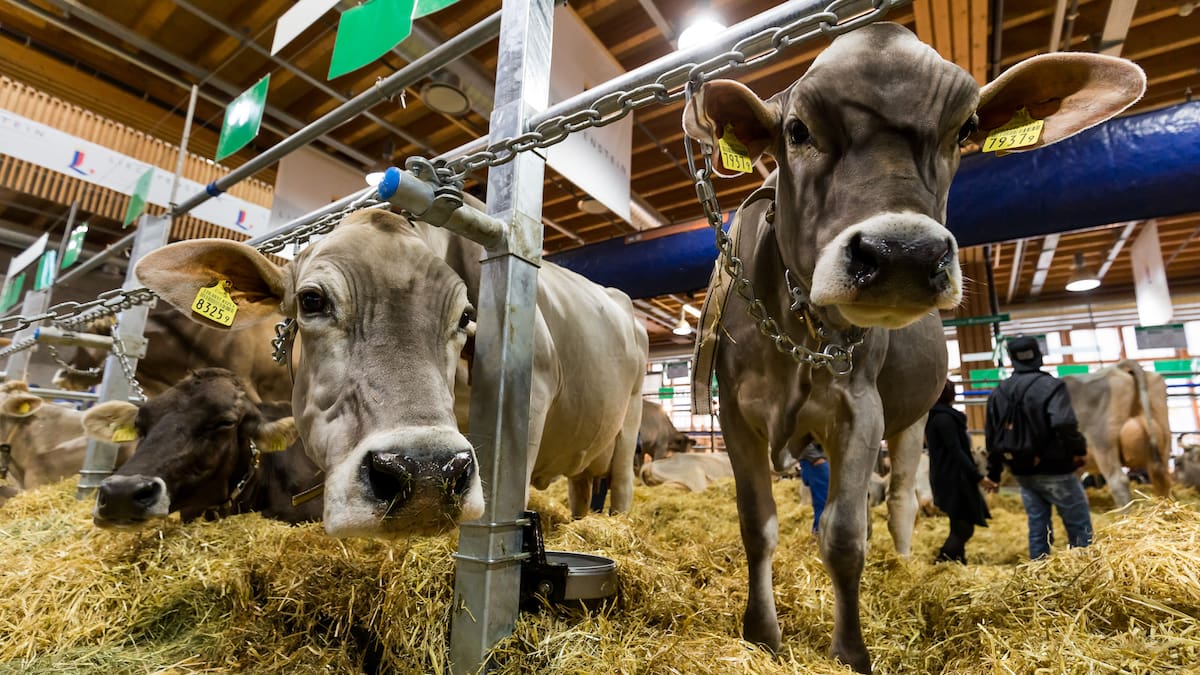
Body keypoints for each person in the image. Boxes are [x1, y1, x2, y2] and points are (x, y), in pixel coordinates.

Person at [982, 336, 1092, 560]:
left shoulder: (999, 392)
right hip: (1056, 468)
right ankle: (1085, 568)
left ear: (1012, 359)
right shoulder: (1052, 386)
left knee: (1038, 525)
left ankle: (1037, 570)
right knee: (1079, 525)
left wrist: (994, 473)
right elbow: (1064, 422)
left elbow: (992, 438)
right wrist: (1079, 450)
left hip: (1022, 472)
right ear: (1039, 355)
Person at [925, 380, 990, 564]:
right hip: (955, 479)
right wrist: (977, 477)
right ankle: (943, 560)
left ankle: (959, 561)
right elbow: (956, 451)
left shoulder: (936, 417)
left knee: (959, 522)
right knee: (964, 526)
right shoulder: (945, 419)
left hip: (946, 477)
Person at [798, 442, 829, 534]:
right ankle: (819, 532)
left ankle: (820, 531)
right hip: (814, 460)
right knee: (823, 501)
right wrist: (817, 459)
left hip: (814, 458)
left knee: (824, 500)